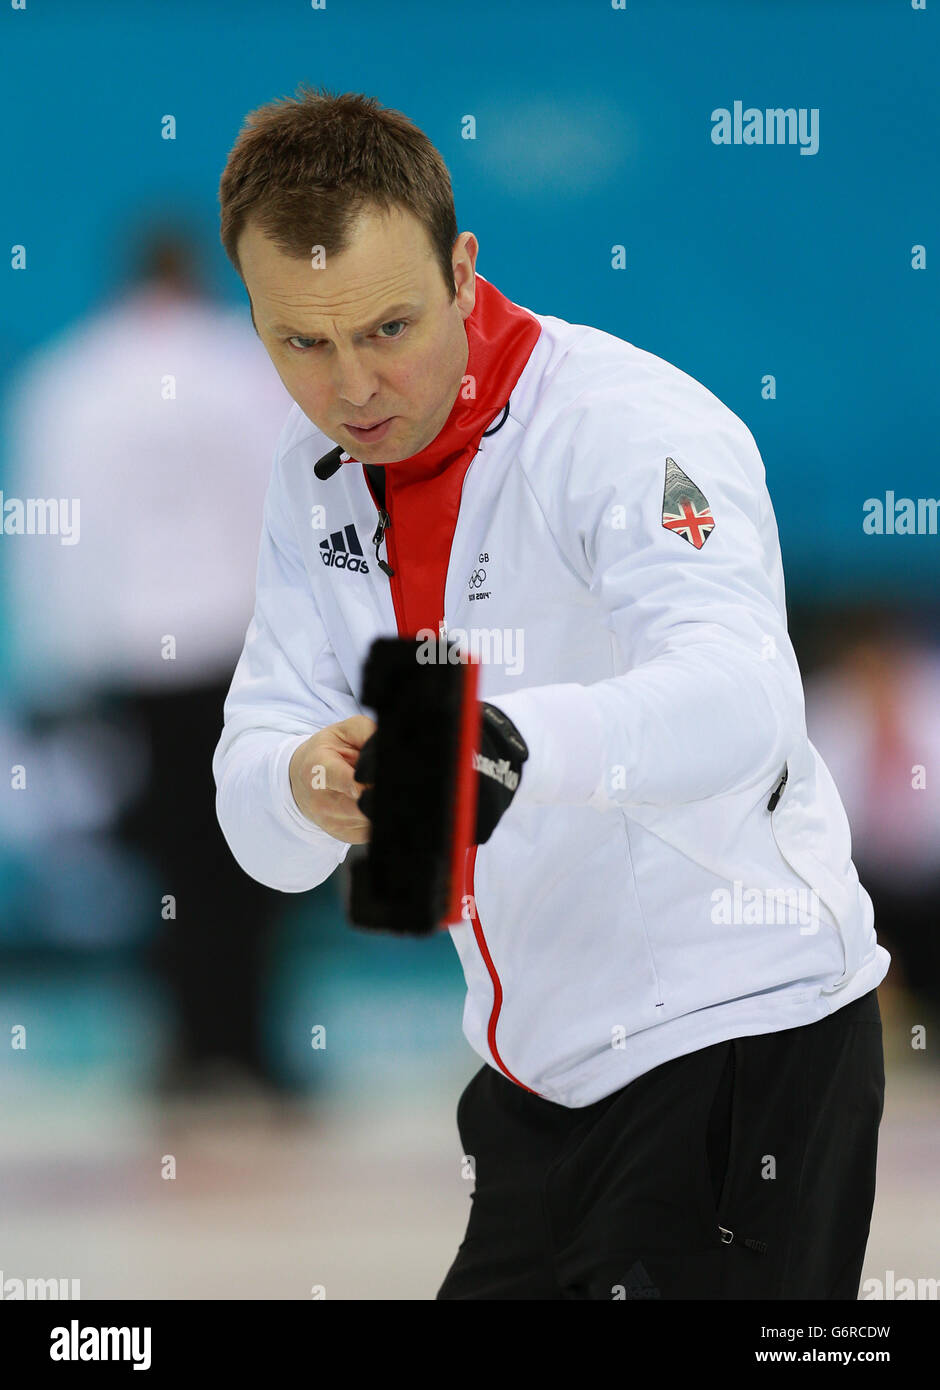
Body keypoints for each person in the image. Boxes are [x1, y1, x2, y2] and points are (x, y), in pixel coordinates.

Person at [212, 84, 889, 1299]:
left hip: (737, 1046)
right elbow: (261, 800)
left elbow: (742, 695)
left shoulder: (626, 427)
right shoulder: (311, 470)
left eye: (389, 327)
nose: (352, 384)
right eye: (300, 343)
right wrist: (301, 780)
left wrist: (506, 741)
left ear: (463, 271)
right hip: (533, 1082)